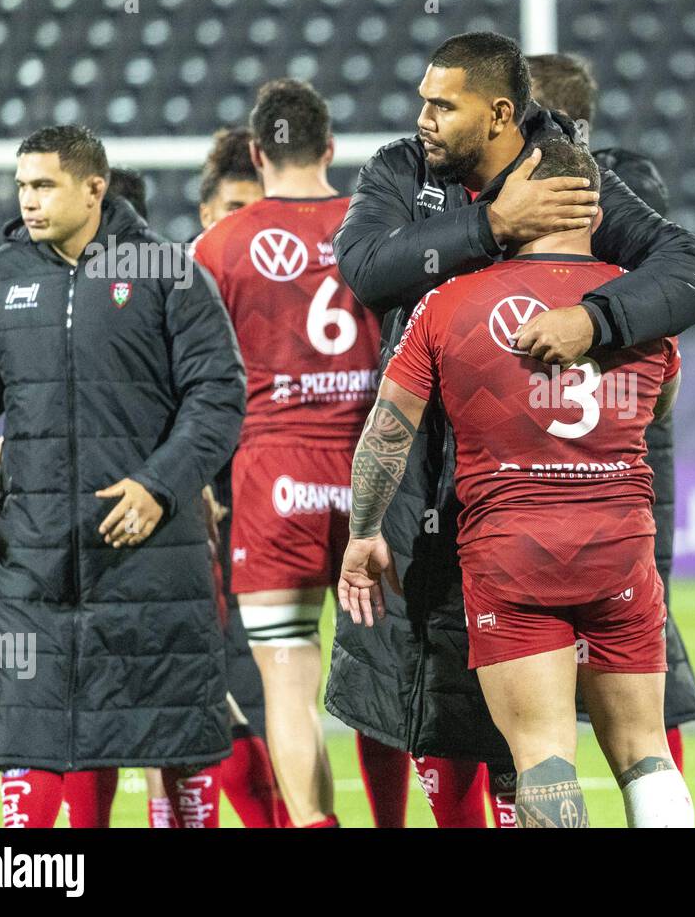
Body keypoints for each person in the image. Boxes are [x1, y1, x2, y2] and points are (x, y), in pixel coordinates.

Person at [328, 30, 695, 827]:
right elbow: (364, 269)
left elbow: (693, 271)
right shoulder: (402, 170)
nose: (422, 119)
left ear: (501, 113)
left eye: (442, 104)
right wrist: (490, 227)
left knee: (535, 748)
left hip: (517, 506)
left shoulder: (571, 176)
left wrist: (595, 318)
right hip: (460, 505)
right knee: (452, 713)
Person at [0, 124, 246, 827]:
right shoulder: (0, 277)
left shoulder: (168, 272)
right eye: (22, 185)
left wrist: (159, 483)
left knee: (173, 732)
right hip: (35, 560)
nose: (28, 200)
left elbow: (218, 394)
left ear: (94, 188)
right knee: (33, 726)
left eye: (43, 185)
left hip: (149, 555)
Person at [191, 80, 403, 828]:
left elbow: (192, 378)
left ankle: (314, 827)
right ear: (331, 149)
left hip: (272, 473)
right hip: (375, 473)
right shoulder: (381, 230)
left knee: (286, 678)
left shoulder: (215, 246)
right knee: (389, 673)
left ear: (257, 152)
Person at [527, 51, 695, 773]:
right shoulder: (628, 192)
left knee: (529, 655)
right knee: (641, 647)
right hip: (625, 442)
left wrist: (589, 323)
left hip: (588, 440)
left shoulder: (607, 192)